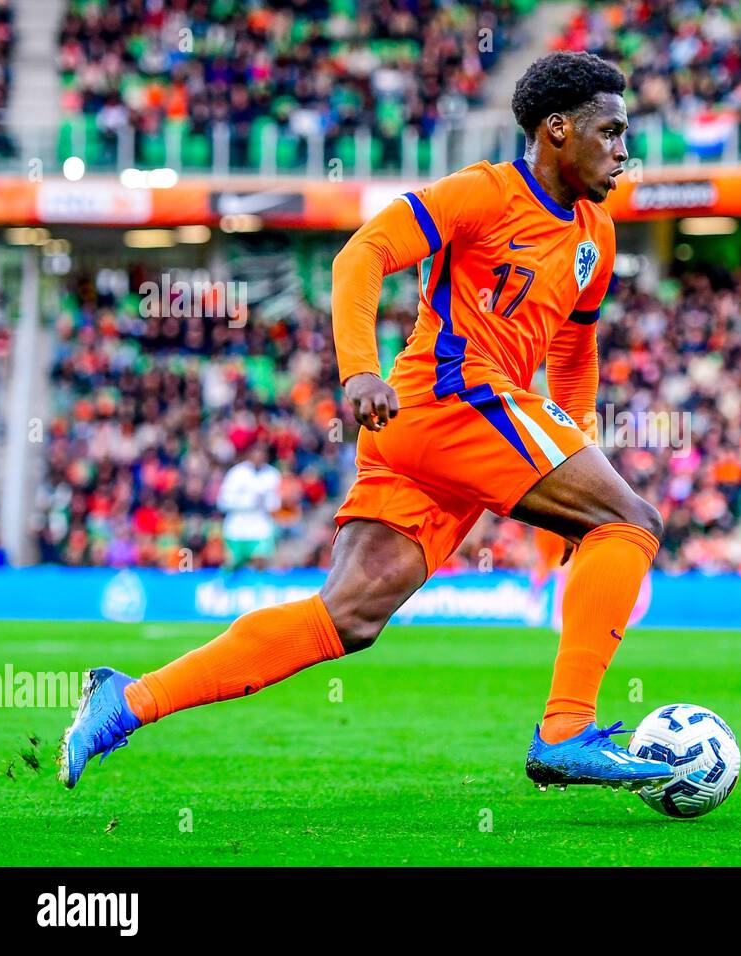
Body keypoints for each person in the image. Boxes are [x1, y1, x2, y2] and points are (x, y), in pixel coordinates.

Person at [59, 51, 674, 792]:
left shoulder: (595, 235)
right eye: (609, 132)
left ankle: (127, 699)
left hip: (449, 430)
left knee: (346, 615)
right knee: (632, 521)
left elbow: (574, 350)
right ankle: (567, 728)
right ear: (555, 131)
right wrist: (357, 369)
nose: (621, 150)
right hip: (452, 400)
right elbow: (363, 253)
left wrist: (575, 466)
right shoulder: (481, 195)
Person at [216, 442, 281, 570]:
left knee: (260, 564)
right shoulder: (236, 473)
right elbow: (222, 502)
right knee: (232, 565)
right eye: (256, 453)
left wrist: (265, 502)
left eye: (263, 453)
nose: (259, 456)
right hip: (236, 528)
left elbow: (275, 504)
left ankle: (257, 589)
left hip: (260, 528)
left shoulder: (272, 474)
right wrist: (248, 501)